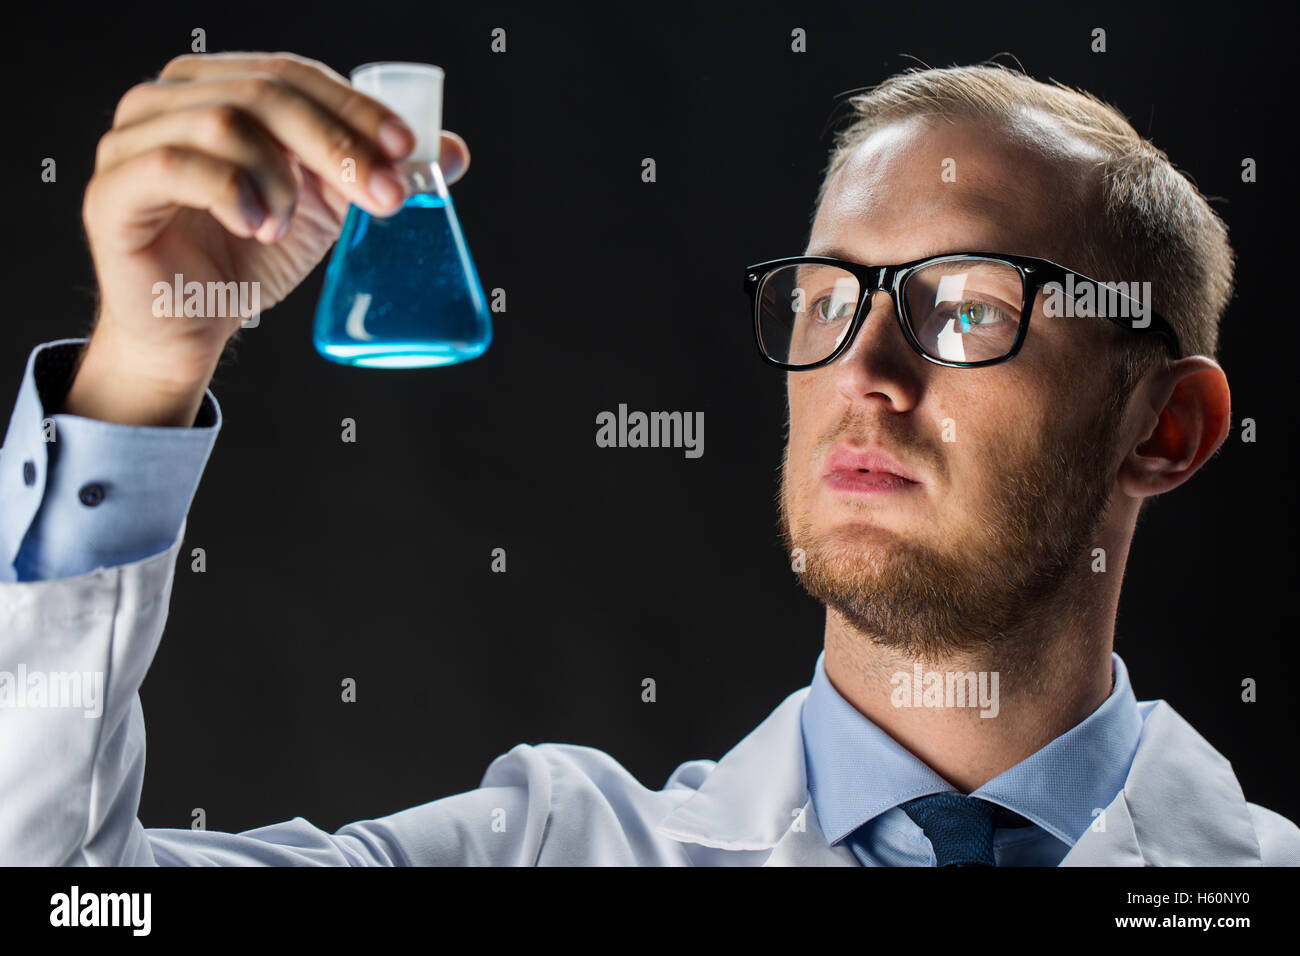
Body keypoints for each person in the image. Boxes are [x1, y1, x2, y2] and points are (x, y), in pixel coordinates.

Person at [1, 52, 1295, 866]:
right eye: (825, 296)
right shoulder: (558, 849)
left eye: (966, 310)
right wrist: (142, 367)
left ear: (1164, 429)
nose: (866, 375)